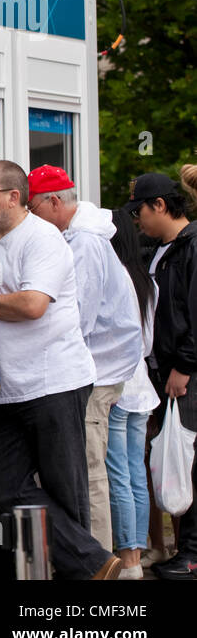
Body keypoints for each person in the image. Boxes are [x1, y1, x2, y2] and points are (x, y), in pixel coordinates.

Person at [0, 160, 120, 579]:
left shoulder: (43, 238)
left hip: (56, 382)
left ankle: (83, 573)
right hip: (7, 389)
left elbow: (32, 305)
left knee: (64, 491)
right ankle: (91, 563)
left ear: (14, 197)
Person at [26, 165, 143, 552]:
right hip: (96, 368)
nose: (29, 218)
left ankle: (100, 564)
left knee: (91, 471)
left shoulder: (85, 243)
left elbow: (79, 317)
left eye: (32, 208)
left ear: (54, 201)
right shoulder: (81, 237)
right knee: (91, 469)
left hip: (97, 371)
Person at [126, 170, 197, 580]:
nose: (137, 220)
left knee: (187, 461)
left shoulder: (190, 248)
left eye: (140, 211)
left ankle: (191, 551)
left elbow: (194, 314)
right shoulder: (163, 250)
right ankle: (184, 547)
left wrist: (184, 368)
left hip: (183, 374)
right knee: (176, 460)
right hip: (165, 371)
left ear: (160, 205)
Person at [105, 206, 161, 580]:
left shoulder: (115, 276)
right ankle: (136, 554)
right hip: (141, 383)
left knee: (118, 474)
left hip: (117, 382)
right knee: (134, 474)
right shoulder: (146, 278)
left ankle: (127, 558)